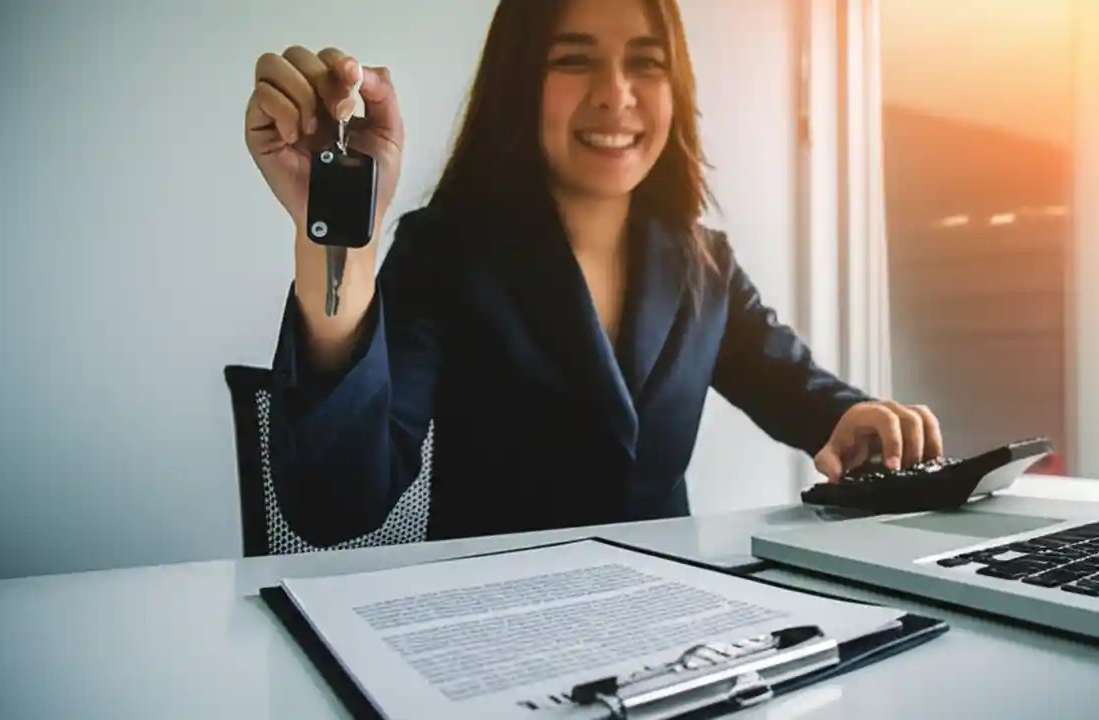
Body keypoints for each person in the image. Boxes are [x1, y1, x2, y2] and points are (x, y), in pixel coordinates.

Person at [244, 0, 944, 547]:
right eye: (574, 60)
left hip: (674, 632)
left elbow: (792, 382)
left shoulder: (704, 263)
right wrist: (337, 237)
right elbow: (335, 506)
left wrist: (853, 417)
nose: (615, 93)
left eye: (646, 62)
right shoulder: (445, 251)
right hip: (496, 638)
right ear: (521, 83)